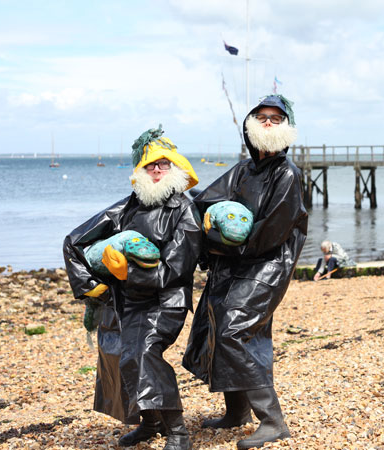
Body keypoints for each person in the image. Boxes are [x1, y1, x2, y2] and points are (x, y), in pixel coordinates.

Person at [63, 126, 201, 450]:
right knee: (124, 357)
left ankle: (178, 431)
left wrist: (127, 274)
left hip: (167, 299)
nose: (156, 169)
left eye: (162, 164)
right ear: (139, 170)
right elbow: (74, 241)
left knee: (145, 352)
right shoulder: (127, 208)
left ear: (174, 168)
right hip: (128, 301)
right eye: (149, 164)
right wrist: (92, 287)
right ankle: (150, 423)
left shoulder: (184, 211)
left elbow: (174, 270)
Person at [182, 94, 308, 449]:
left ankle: (272, 420)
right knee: (217, 326)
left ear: (287, 127)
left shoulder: (288, 174)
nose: (268, 122)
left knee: (234, 331)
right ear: (250, 124)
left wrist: (221, 244)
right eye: (262, 117)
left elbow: (271, 232)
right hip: (231, 265)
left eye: (276, 118)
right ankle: (236, 411)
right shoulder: (241, 170)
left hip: (267, 266)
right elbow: (203, 202)